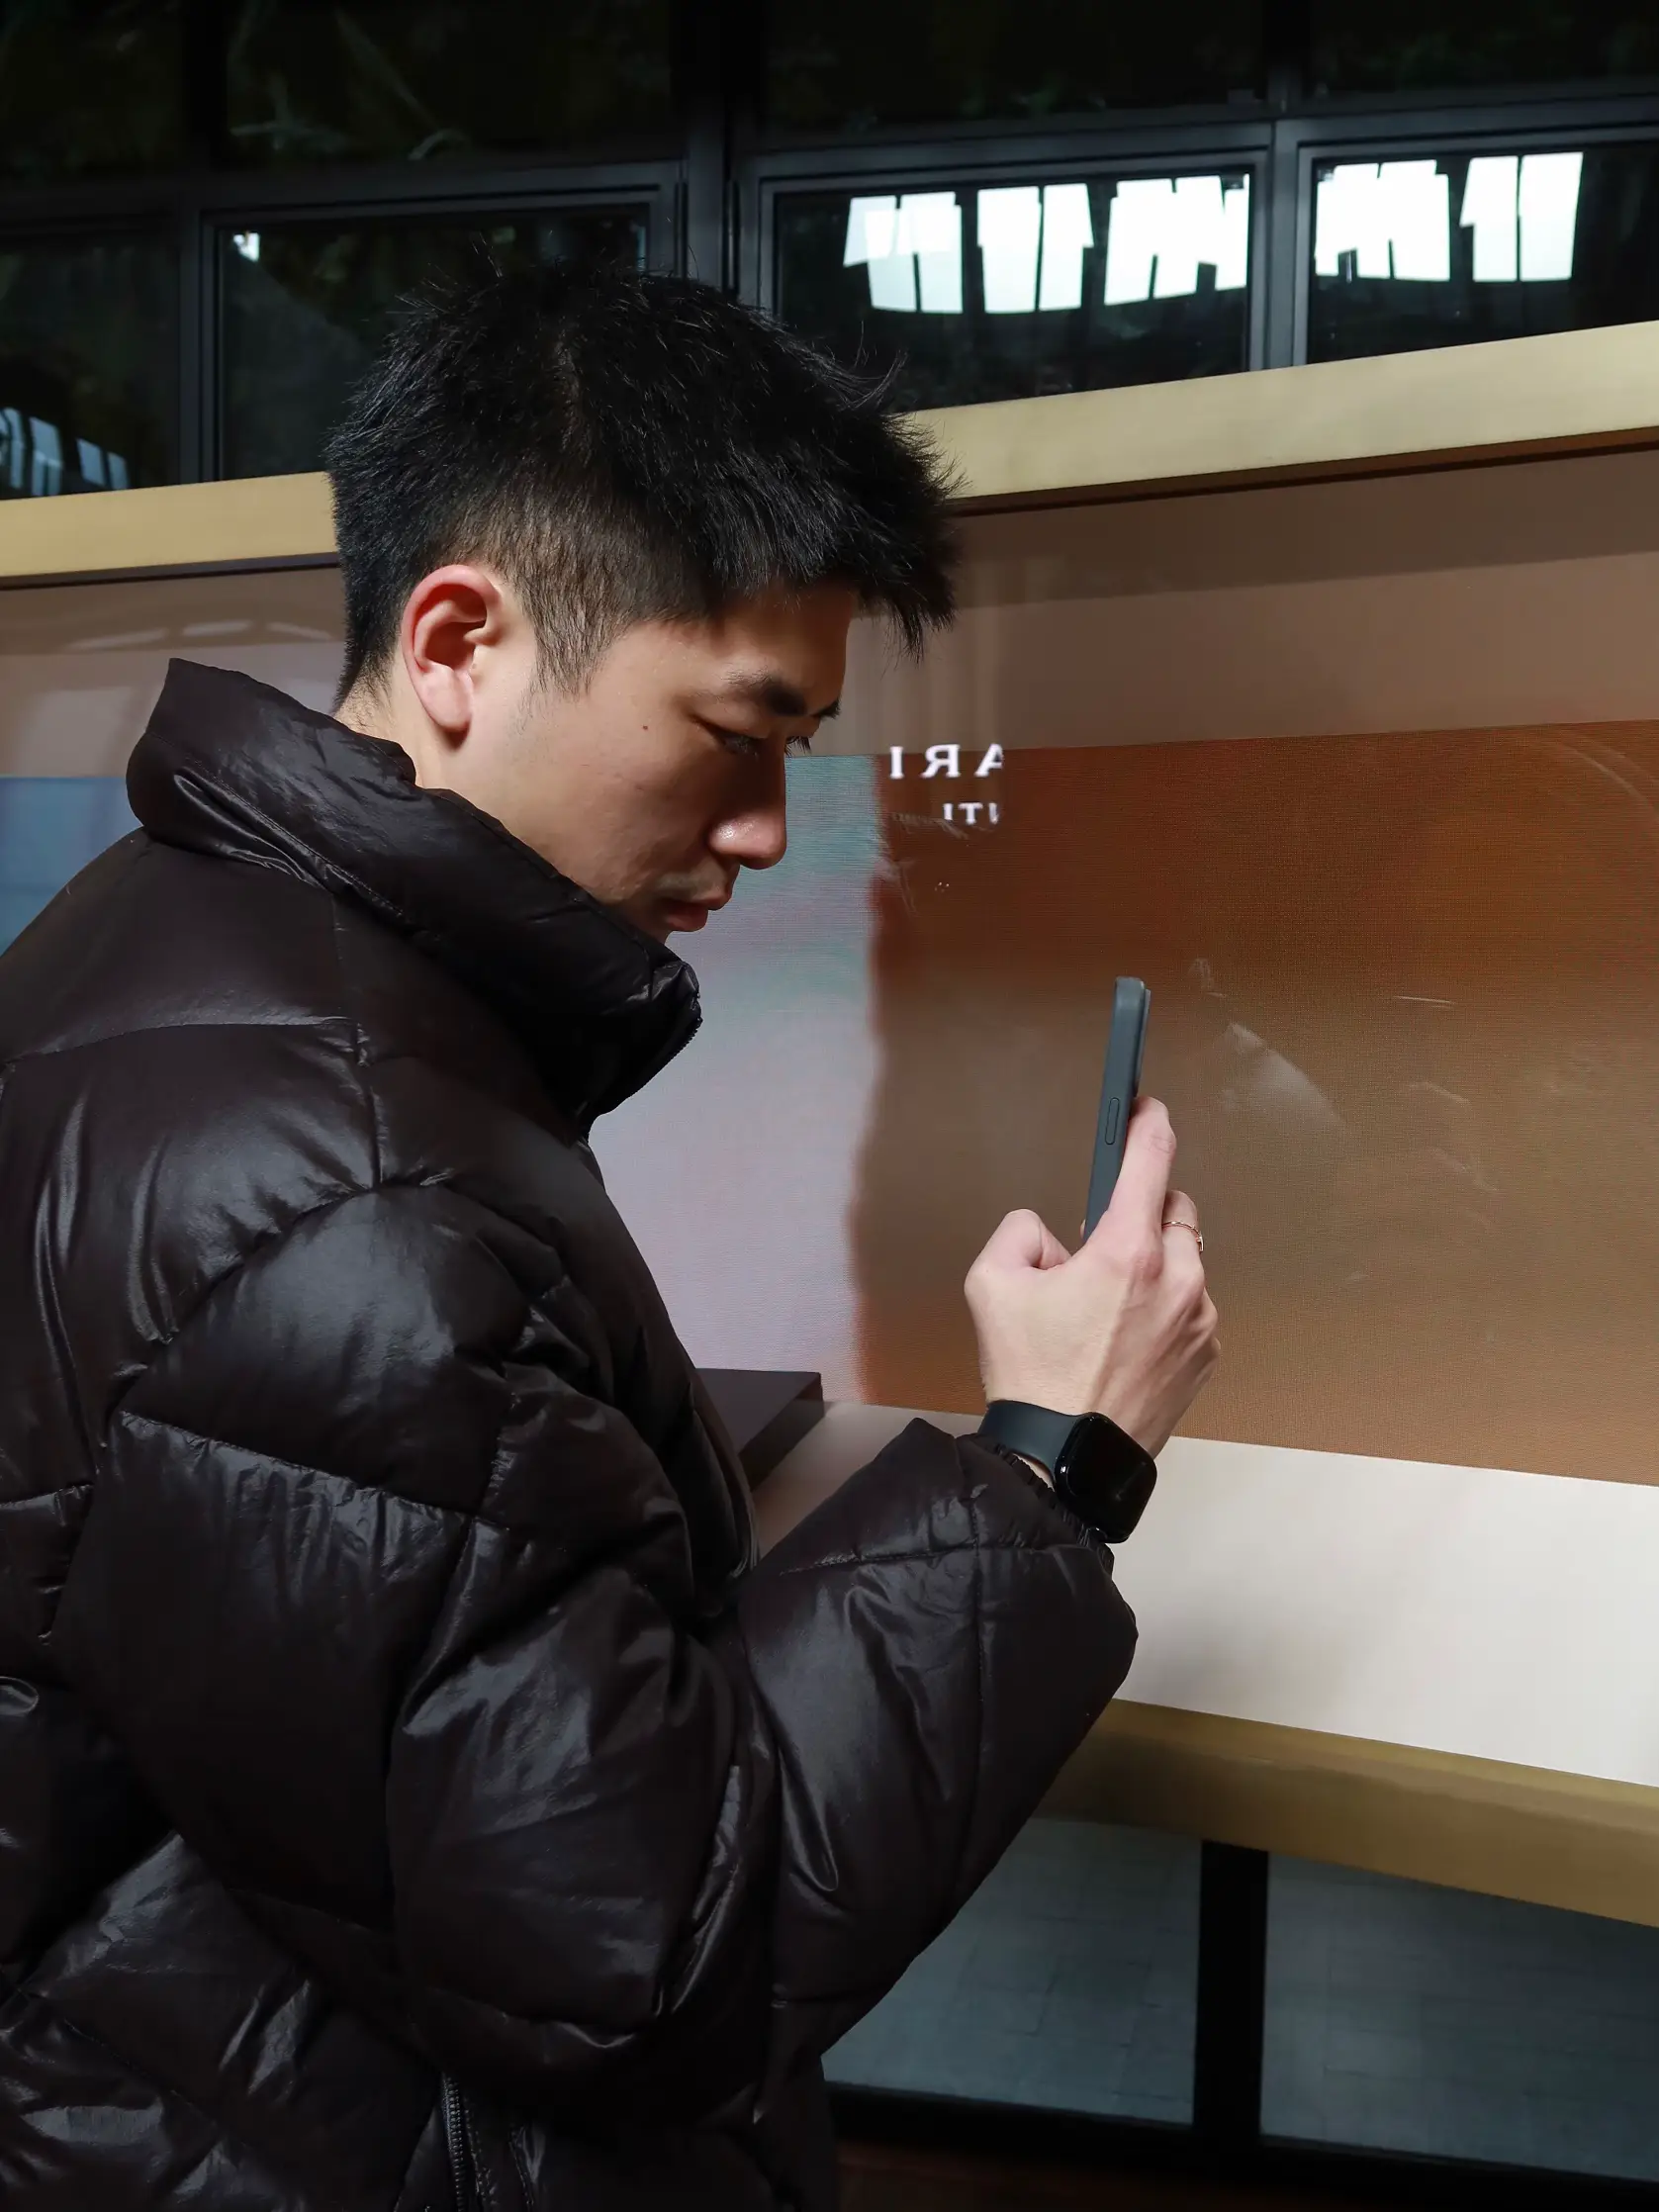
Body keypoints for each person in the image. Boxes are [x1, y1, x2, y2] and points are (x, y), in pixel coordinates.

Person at [0, 265, 1217, 2212]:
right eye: (737, 730)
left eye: (801, 745)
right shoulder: (348, 1199)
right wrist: (1050, 1463)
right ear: (460, 641)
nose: (767, 826)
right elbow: (659, 1948)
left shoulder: (166, 927)